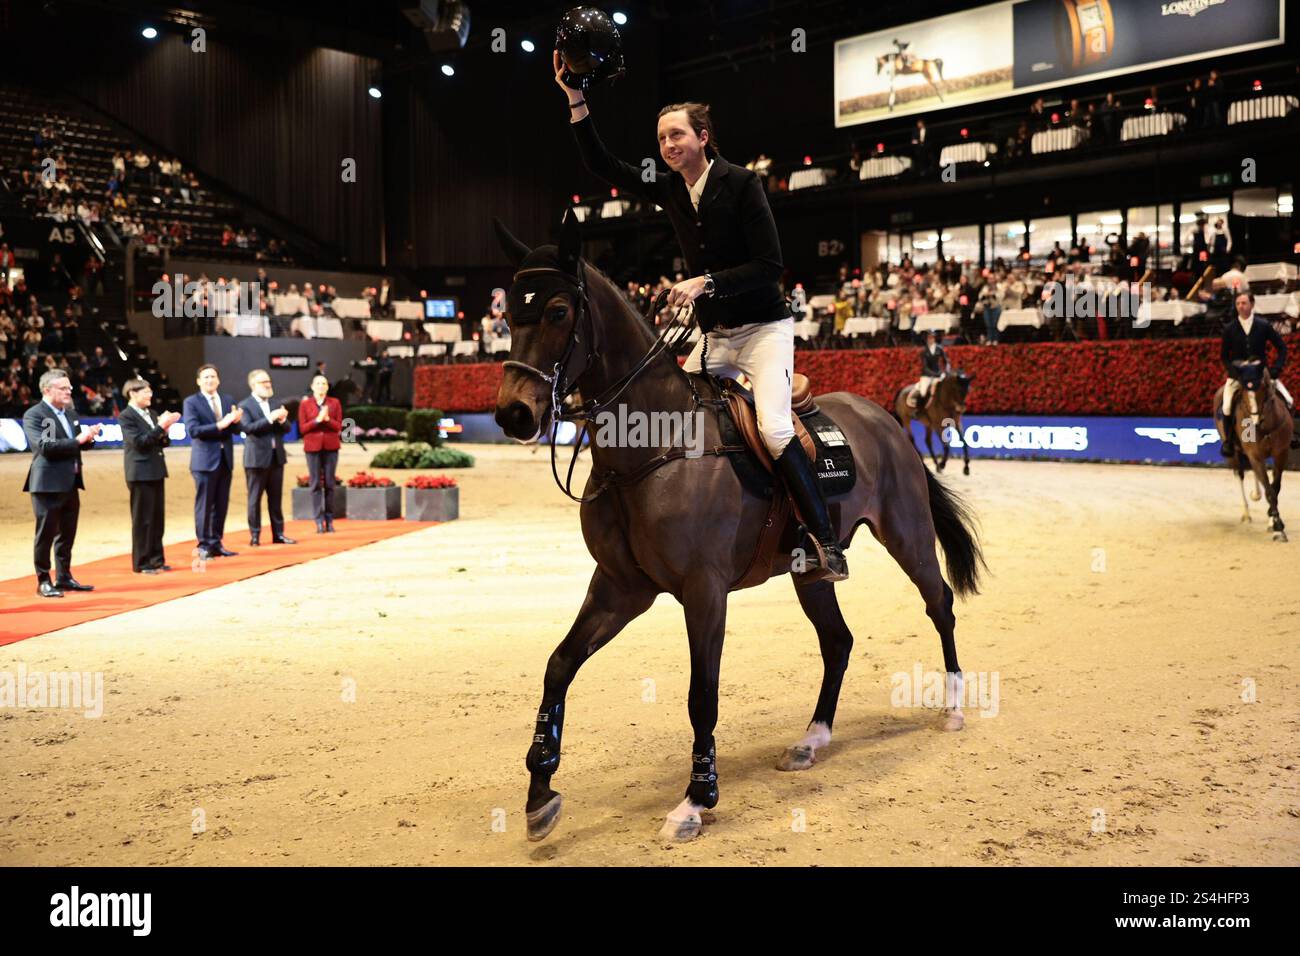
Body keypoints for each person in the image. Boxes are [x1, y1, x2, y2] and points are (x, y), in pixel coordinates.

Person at [559, 50, 847, 580]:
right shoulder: (670, 187)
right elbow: (603, 165)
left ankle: (824, 540)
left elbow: (770, 264)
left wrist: (704, 281)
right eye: (663, 138)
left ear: (703, 137)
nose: (668, 145)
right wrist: (577, 99)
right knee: (672, 413)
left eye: (678, 135)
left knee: (776, 427)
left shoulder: (742, 184)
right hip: (714, 336)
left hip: (764, 332)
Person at [23, 368, 102, 597]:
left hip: (70, 482)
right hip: (47, 483)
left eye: (69, 387)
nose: (69, 391)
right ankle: (43, 579)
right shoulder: (37, 414)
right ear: (47, 390)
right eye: (63, 388)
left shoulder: (70, 413)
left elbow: (75, 444)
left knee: (67, 533)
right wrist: (78, 440)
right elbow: (46, 447)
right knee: (46, 534)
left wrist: (89, 439)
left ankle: (64, 576)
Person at [1219, 291, 1297, 457]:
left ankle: (1289, 437)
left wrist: (1276, 369)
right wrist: (1233, 371)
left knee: (1288, 400)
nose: (1241, 306)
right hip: (1238, 375)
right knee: (1226, 406)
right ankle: (1229, 442)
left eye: (1244, 303)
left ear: (1252, 304)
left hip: (1262, 373)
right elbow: (1224, 356)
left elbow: (1282, 348)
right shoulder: (1230, 328)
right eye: (1238, 303)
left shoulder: (1263, 325)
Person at [119, 377, 180, 573]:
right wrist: (160, 427)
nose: (150, 395)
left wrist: (165, 430)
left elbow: (161, 442)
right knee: (142, 519)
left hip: (156, 470)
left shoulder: (152, 413)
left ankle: (157, 559)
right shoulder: (126, 416)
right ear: (133, 393)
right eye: (146, 392)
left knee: (157, 518)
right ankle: (142, 562)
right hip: (139, 472)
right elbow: (139, 443)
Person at [182, 364, 241, 560]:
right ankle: (204, 545)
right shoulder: (191, 402)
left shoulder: (227, 399)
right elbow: (193, 430)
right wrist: (220, 425)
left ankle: (216, 542)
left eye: (213, 377)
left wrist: (236, 421)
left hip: (225, 459)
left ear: (218, 380)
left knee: (221, 505)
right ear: (198, 381)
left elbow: (234, 430)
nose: (210, 380)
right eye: (206, 377)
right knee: (204, 505)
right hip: (204, 461)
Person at [239, 369, 295, 547]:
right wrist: (270, 419)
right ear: (253, 385)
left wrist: (282, 420)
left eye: (269, 381)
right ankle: (255, 535)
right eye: (264, 382)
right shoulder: (245, 405)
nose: (268, 384)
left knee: (276, 499)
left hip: (276, 457)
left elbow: (286, 429)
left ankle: (278, 534)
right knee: (254, 500)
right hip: (256, 459)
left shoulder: (276, 403)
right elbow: (248, 428)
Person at [299, 373, 342, 533]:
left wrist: (327, 420)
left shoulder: (335, 403)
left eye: (324, 383)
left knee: (330, 484)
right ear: (312, 387)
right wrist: (317, 420)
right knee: (315, 484)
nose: (321, 386)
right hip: (312, 448)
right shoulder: (305, 404)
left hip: (331, 447)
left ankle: (329, 520)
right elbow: (302, 429)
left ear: (328, 387)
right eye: (318, 383)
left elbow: (338, 426)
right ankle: (318, 520)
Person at [909, 330, 949, 409]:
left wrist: (946, 371)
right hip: (927, 375)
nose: (930, 339)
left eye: (932, 338)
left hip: (938, 373)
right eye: (929, 338)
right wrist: (934, 374)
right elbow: (925, 367)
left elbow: (946, 361)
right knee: (923, 392)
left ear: (934, 339)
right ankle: (919, 409)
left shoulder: (939, 349)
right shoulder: (924, 351)